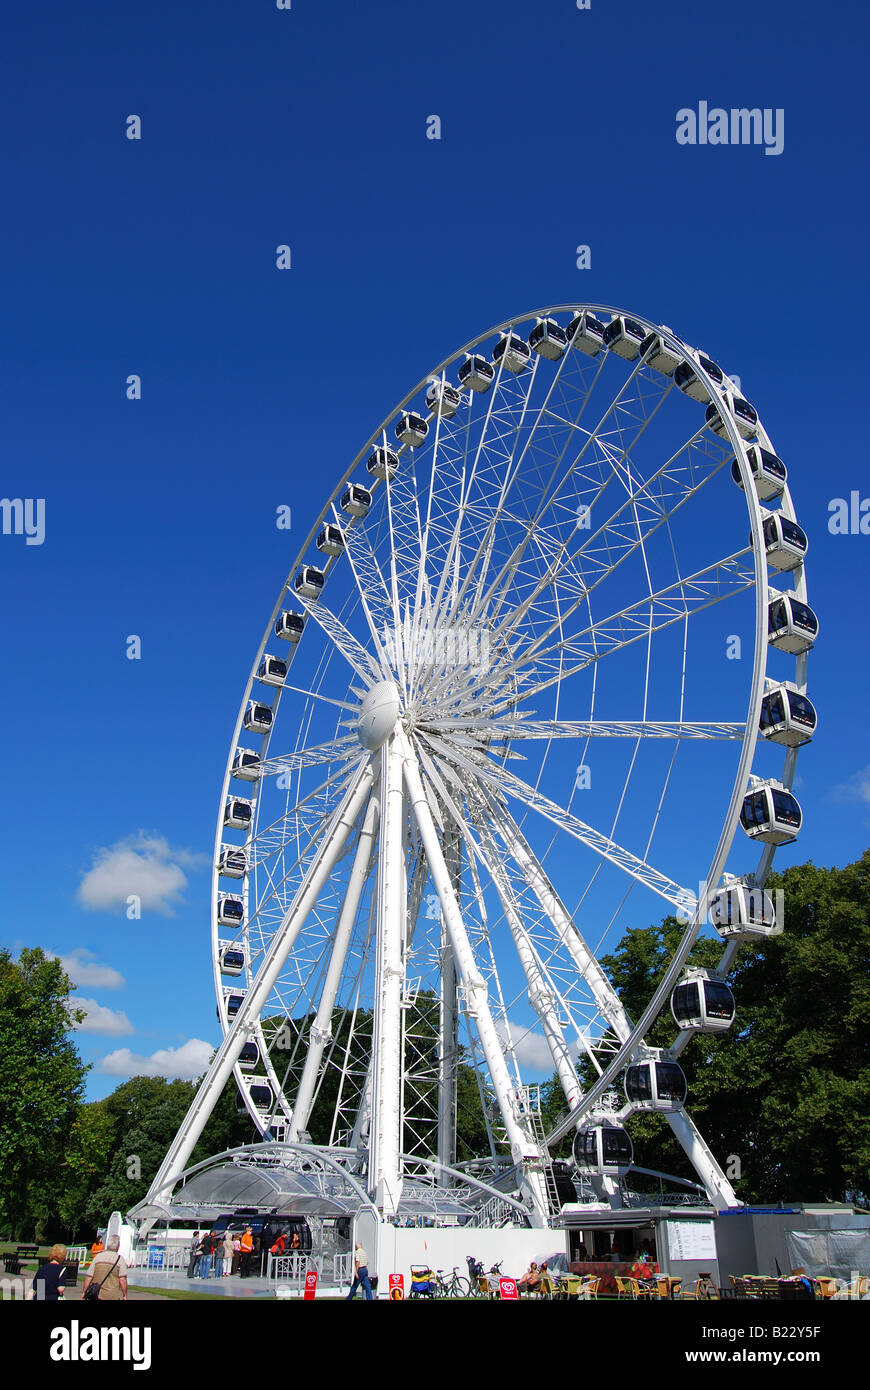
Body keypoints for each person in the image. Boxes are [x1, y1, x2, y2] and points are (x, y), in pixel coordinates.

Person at [82, 1235, 128, 1302]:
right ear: (118, 1246)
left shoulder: (98, 1257)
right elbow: (123, 1279)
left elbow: (89, 1276)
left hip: (96, 1294)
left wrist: (84, 1291)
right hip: (111, 1295)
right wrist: (124, 1295)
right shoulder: (120, 1260)